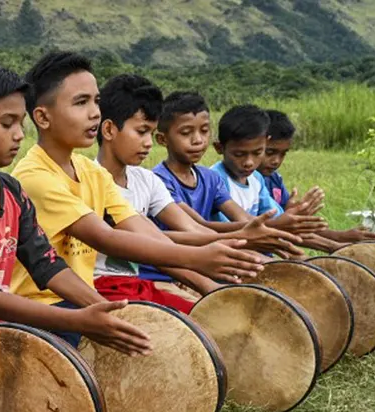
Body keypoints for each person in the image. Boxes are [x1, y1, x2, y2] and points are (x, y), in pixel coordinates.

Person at [0, 62, 150, 353]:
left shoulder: (11, 191)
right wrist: (77, 320)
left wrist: (102, 307)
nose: (20, 134)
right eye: (7, 124)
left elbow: (46, 264)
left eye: (21, 123)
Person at [9, 51, 264, 316]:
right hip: (47, 306)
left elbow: (143, 230)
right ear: (43, 117)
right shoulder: (35, 176)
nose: (94, 113)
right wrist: (198, 256)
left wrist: (209, 282)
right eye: (81, 103)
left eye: (96, 101)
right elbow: (105, 238)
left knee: (206, 326)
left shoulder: (90, 171)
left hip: (86, 296)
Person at [93, 74, 304, 308]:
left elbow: (192, 228)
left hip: (144, 283)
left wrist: (216, 286)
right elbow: (156, 244)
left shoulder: (147, 180)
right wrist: (238, 238)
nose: (148, 143)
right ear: (110, 130)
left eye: (151, 134)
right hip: (110, 286)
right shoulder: (91, 180)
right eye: (141, 132)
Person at [152, 94, 333, 251]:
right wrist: (276, 225)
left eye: (204, 130)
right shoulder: (160, 180)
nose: (198, 140)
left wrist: (276, 224)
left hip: (211, 250)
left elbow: (243, 218)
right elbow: (199, 226)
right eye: (186, 133)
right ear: (162, 139)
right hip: (187, 258)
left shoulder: (210, 178)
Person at [261, 108, 375, 244]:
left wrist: (340, 235)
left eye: (283, 154)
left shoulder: (274, 179)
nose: (276, 161)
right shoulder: (247, 183)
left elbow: (292, 225)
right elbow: (273, 228)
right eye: (270, 152)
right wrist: (336, 243)